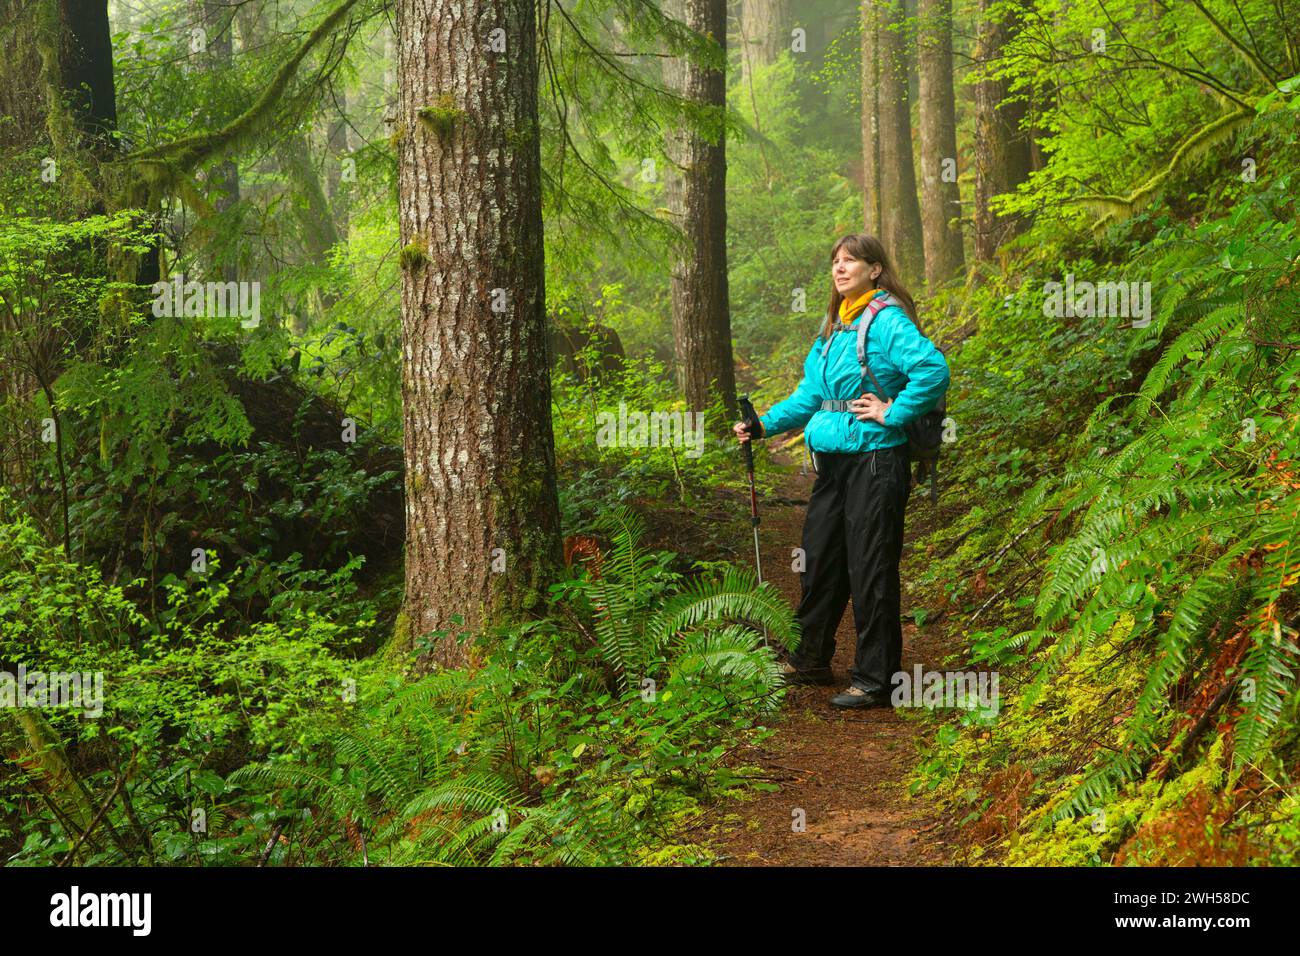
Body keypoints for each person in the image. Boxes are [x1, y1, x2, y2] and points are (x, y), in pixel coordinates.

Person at [733, 234, 950, 708]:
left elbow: (933, 370)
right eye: (835, 260)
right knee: (818, 559)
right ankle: (810, 658)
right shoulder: (833, 329)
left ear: (875, 269)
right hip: (833, 464)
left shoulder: (886, 320)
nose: (840, 267)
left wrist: (892, 412)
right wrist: (764, 424)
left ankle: (876, 678)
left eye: (850, 260)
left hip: (877, 460)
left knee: (870, 567)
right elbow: (810, 396)